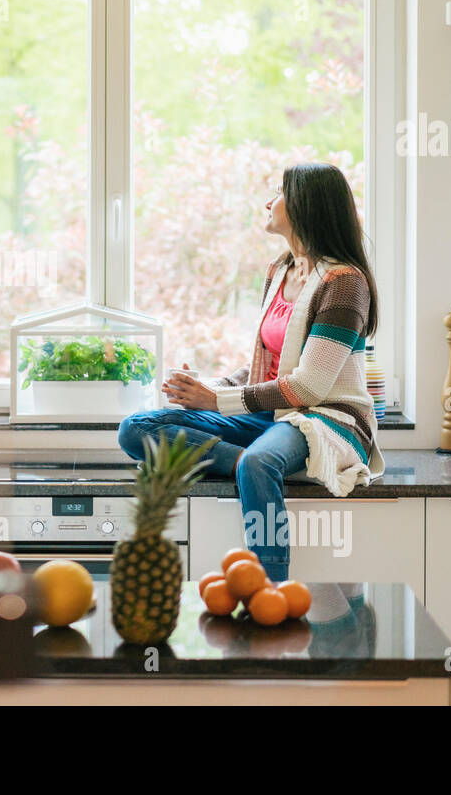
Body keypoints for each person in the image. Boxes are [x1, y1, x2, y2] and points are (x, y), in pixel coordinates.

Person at [117, 162, 384, 582]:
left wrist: (216, 402)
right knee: (136, 428)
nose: (268, 202)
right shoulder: (278, 272)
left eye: (278, 192)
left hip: (325, 417)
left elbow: (310, 386)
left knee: (260, 464)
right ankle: (243, 460)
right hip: (272, 415)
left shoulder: (344, 283)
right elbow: (265, 366)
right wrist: (208, 387)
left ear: (303, 205)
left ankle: (269, 585)